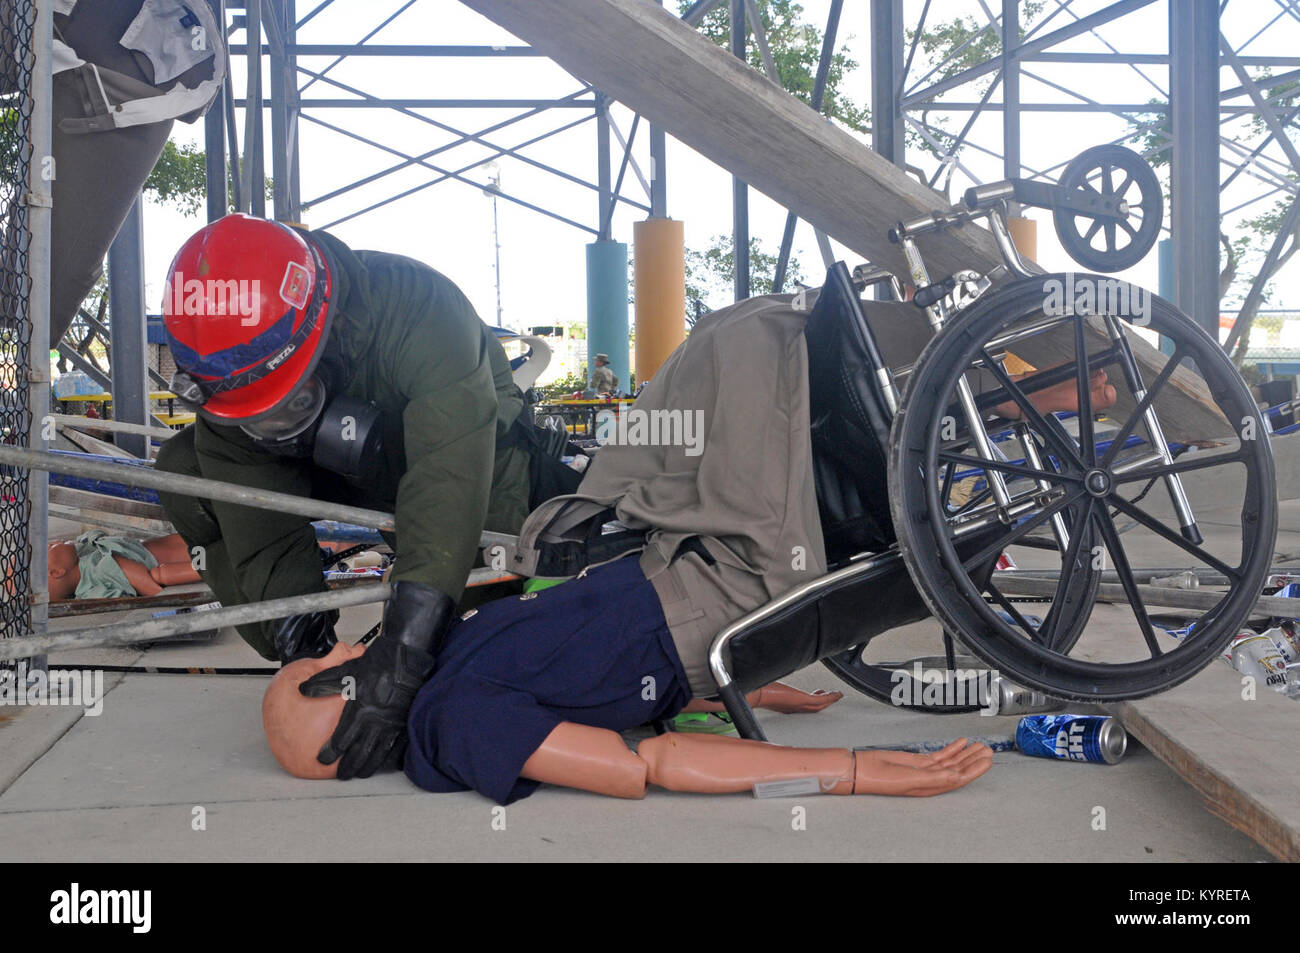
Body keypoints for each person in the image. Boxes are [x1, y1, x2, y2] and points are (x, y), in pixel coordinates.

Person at [155, 212, 576, 779]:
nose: (272, 421)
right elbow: (254, 513)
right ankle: (302, 640)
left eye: (286, 401)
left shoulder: (421, 309)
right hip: (341, 459)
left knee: (475, 664)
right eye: (258, 412)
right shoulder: (227, 370)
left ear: (316, 330)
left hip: (474, 458)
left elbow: (446, 480)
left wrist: (406, 648)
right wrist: (299, 639)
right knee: (188, 474)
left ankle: (454, 638)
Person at [263, 572, 991, 801]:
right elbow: (648, 761)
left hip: (678, 562)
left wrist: (756, 693)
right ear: (352, 715)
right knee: (753, 342)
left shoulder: (433, 662)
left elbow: (569, 674)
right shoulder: (454, 724)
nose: (349, 646)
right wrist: (854, 771)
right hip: (704, 590)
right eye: (334, 664)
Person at [47, 531, 201, 601]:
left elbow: (94, 535)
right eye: (48, 549)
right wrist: (152, 589)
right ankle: (210, 568)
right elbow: (122, 571)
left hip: (171, 545)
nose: (52, 543)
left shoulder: (82, 552)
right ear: (57, 572)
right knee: (158, 575)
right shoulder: (94, 574)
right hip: (164, 564)